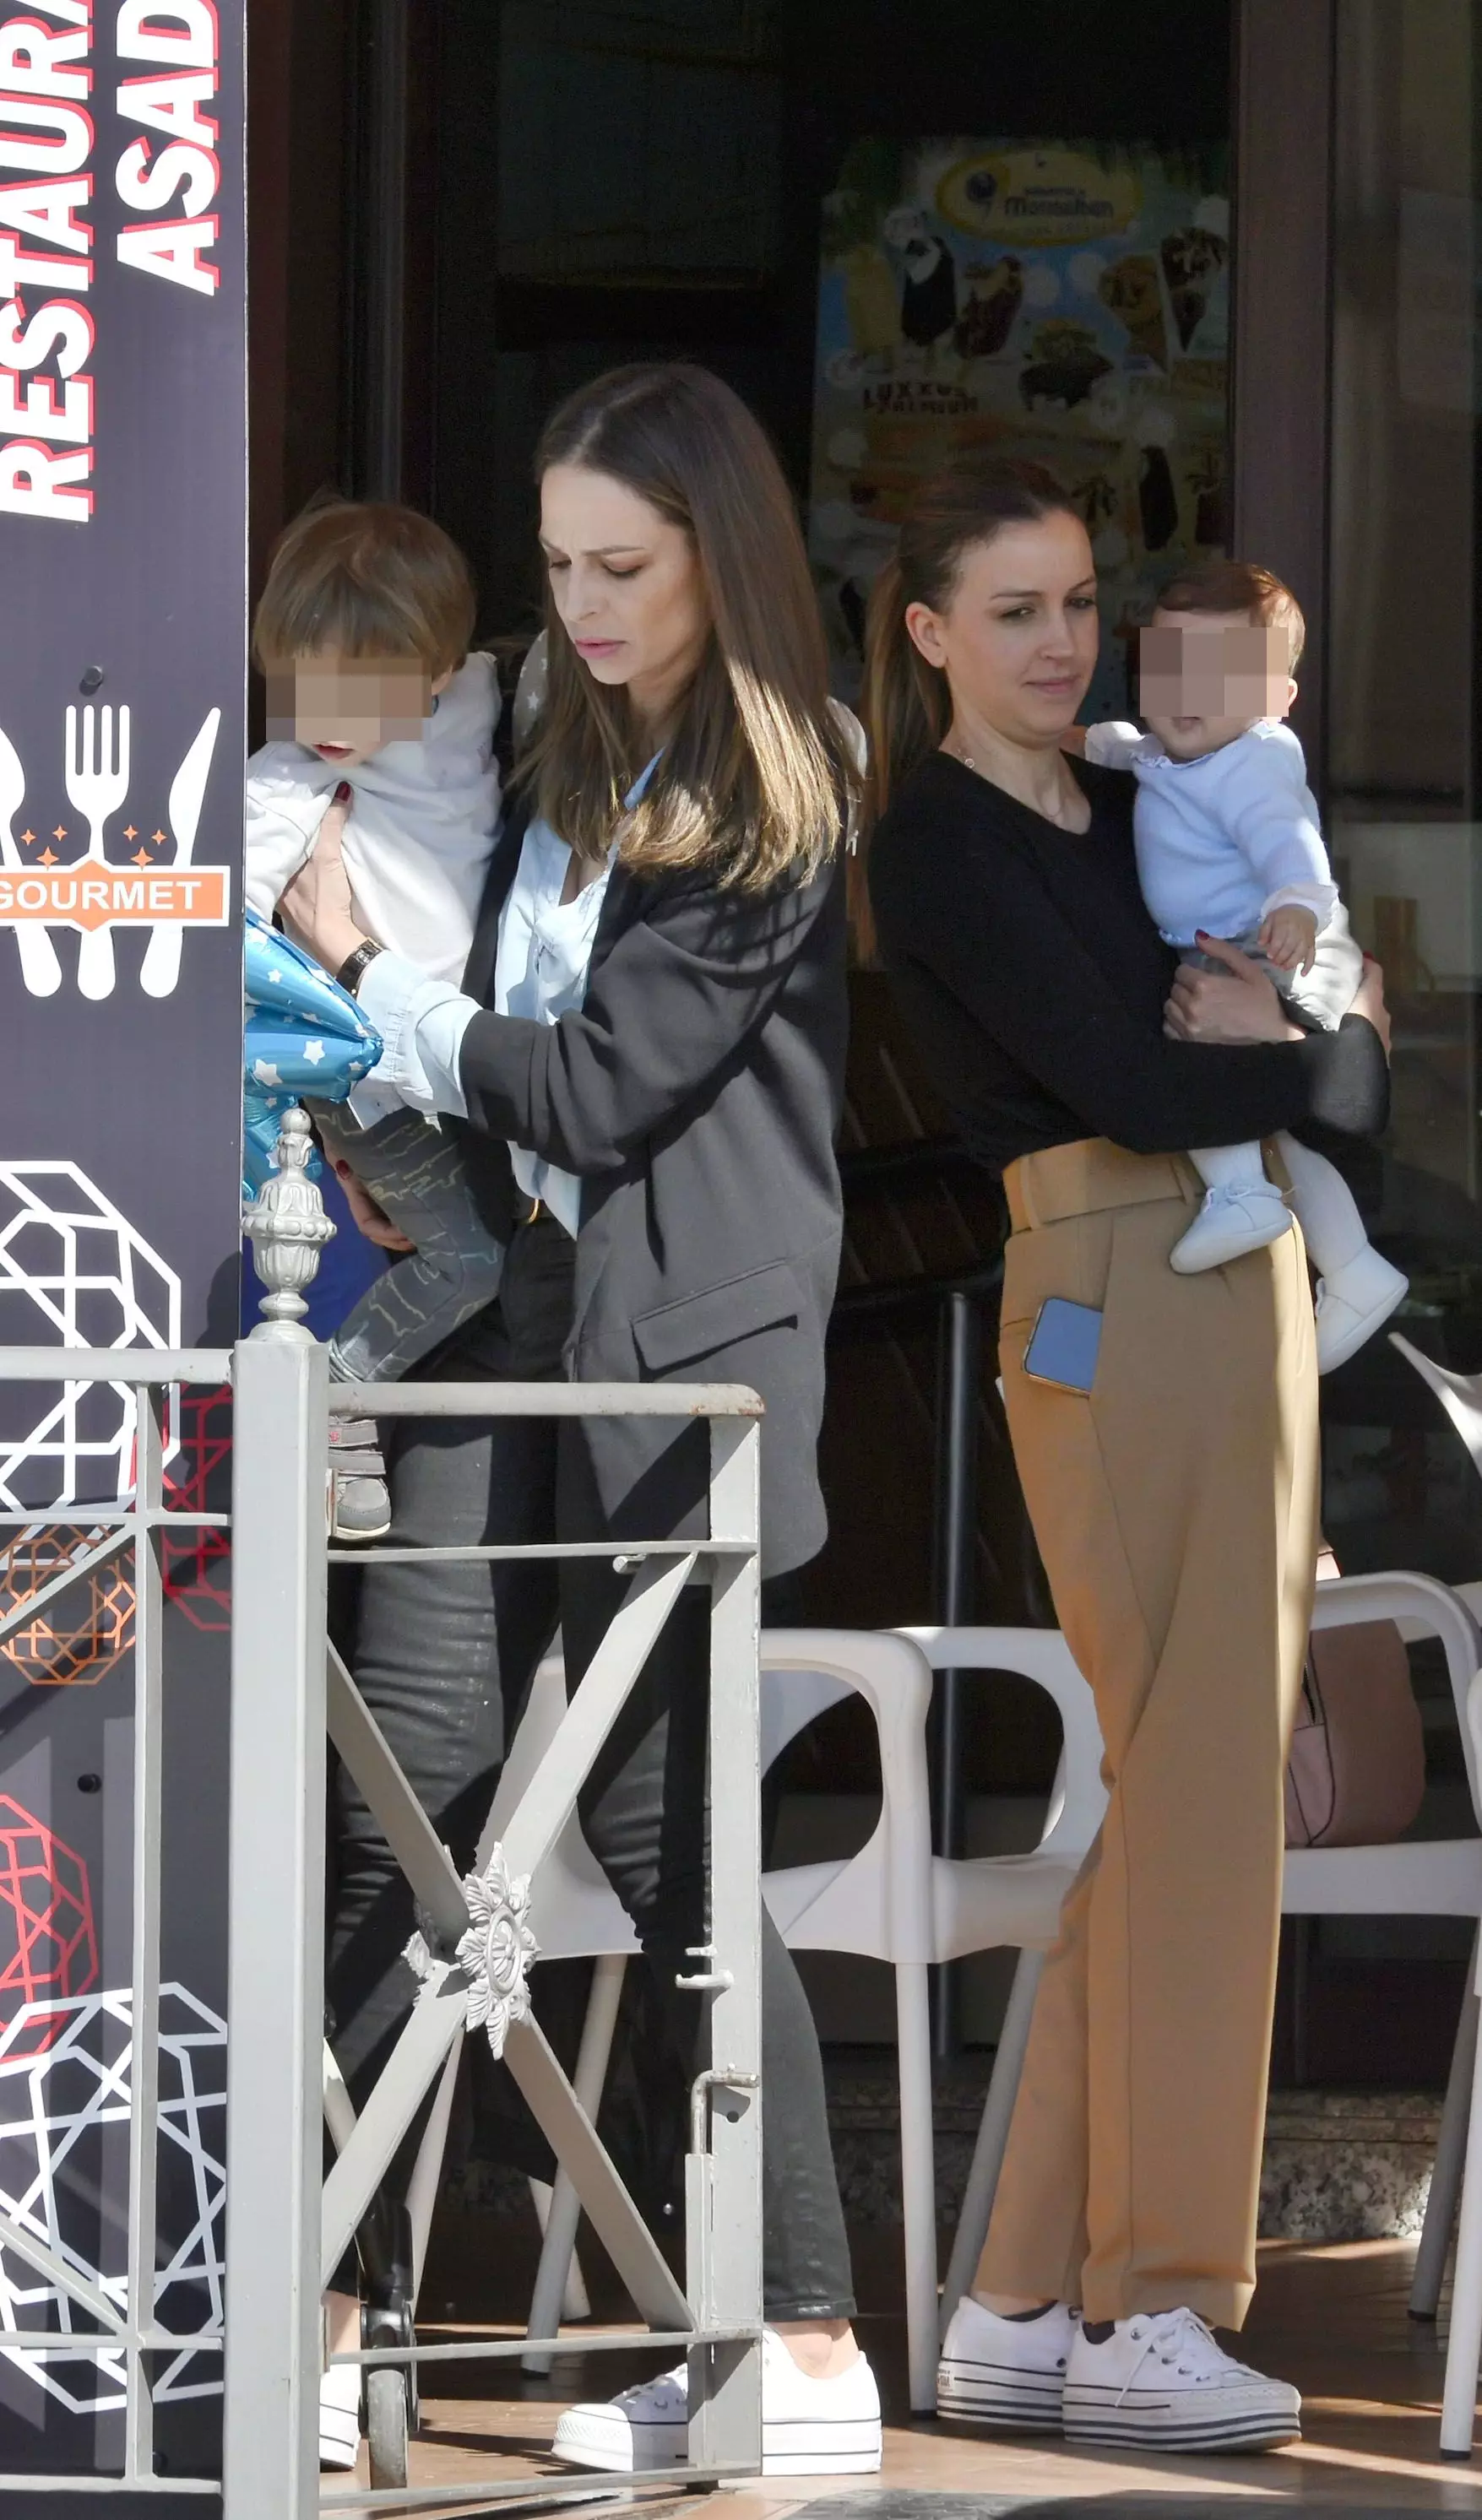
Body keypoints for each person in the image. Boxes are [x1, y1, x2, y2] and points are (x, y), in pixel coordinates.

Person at [280, 361, 882, 2480]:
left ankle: (794, 2335)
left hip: (679, 1368)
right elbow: (338, 719)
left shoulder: (783, 770)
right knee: (405, 1784)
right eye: (557, 565)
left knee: (672, 1846)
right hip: (496, 1330)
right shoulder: (540, 719)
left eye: (621, 565)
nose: (585, 604)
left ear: (720, 548)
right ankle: (319, 2300)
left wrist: (365, 996)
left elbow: (604, 1086)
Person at [862, 453, 1391, 2455]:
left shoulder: (1107, 803)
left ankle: (1020, 2293)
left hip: (1191, 1254)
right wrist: (1303, 1049)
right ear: (923, 633)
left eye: (1075, 603)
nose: (1059, 642)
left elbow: (1288, 997)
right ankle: (1149, 2297)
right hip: (1113, 1259)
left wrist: (1292, 1035)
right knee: (1196, 1791)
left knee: (1175, 1785)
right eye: (1011, 610)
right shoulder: (938, 839)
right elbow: (1136, 1068)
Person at [246, 500, 506, 1541]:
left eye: (368, 680)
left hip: (453, 1072)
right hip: (369, 1077)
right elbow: (214, 925)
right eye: (304, 682)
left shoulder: (486, 700)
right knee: (471, 1260)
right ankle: (327, 1404)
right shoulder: (292, 783)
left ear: (441, 671)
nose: (331, 712)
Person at [1073, 557, 1405, 1368]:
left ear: (1272, 701)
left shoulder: (1256, 757)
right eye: (1170, 666)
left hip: (1275, 941)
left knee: (1204, 1057)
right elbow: (1115, 747)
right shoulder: (1165, 752)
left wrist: (1294, 902)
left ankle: (1241, 1195)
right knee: (1285, 1132)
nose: (1188, 694)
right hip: (1246, 946)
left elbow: (1285, 836)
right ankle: (1354, 1267)